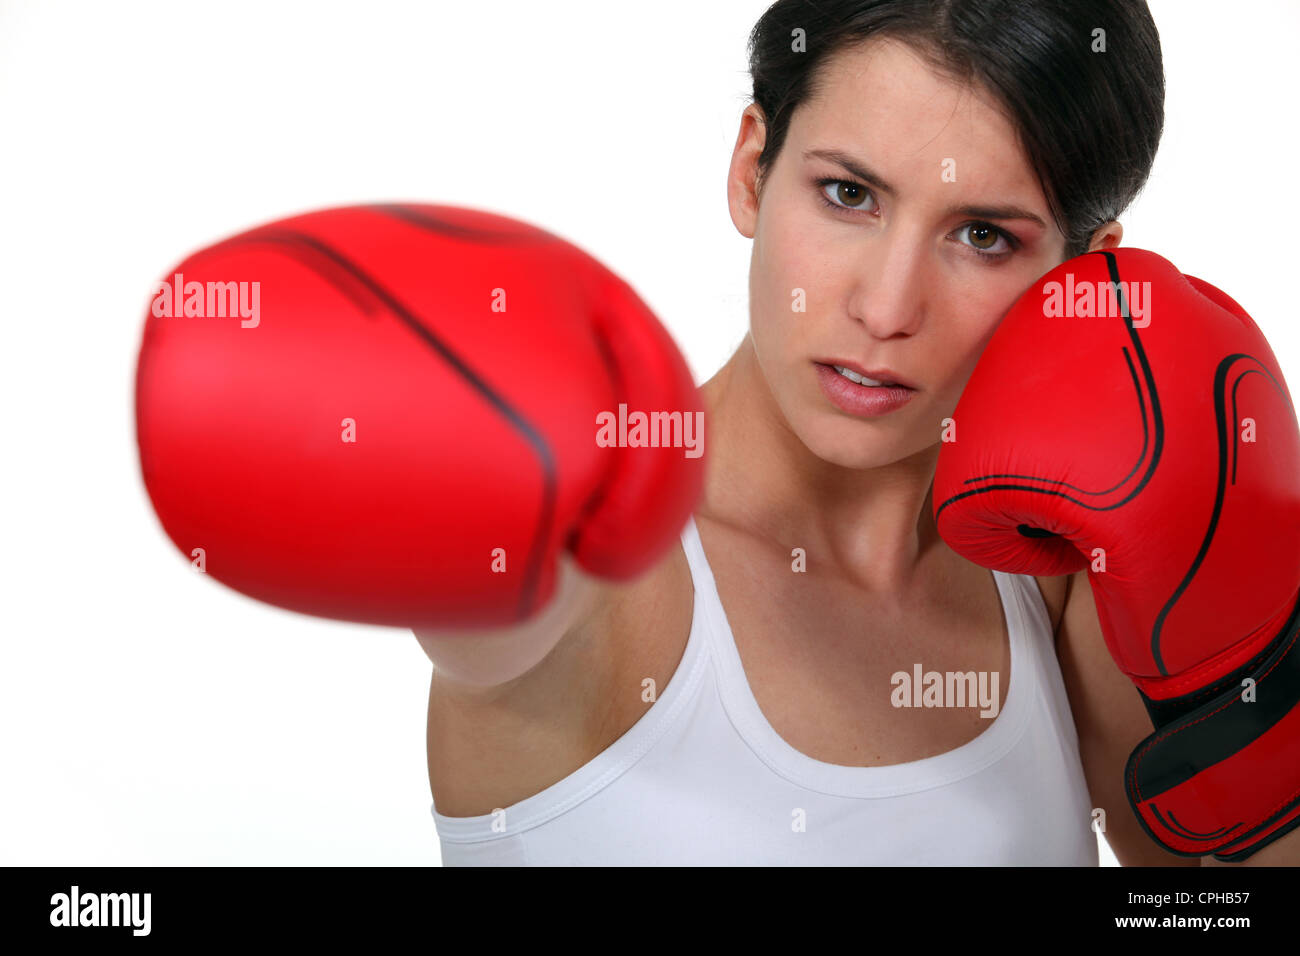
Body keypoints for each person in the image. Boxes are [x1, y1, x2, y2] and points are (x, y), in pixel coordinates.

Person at [416, 0, 1205, 865]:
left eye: (982, 236)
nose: (886, 307)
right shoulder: (598, 564)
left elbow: (1191, 902)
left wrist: (1267, 671)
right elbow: (480, 601)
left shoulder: (1057, 576)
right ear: (752, 168)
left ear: (1077, 278)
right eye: (849, 194)